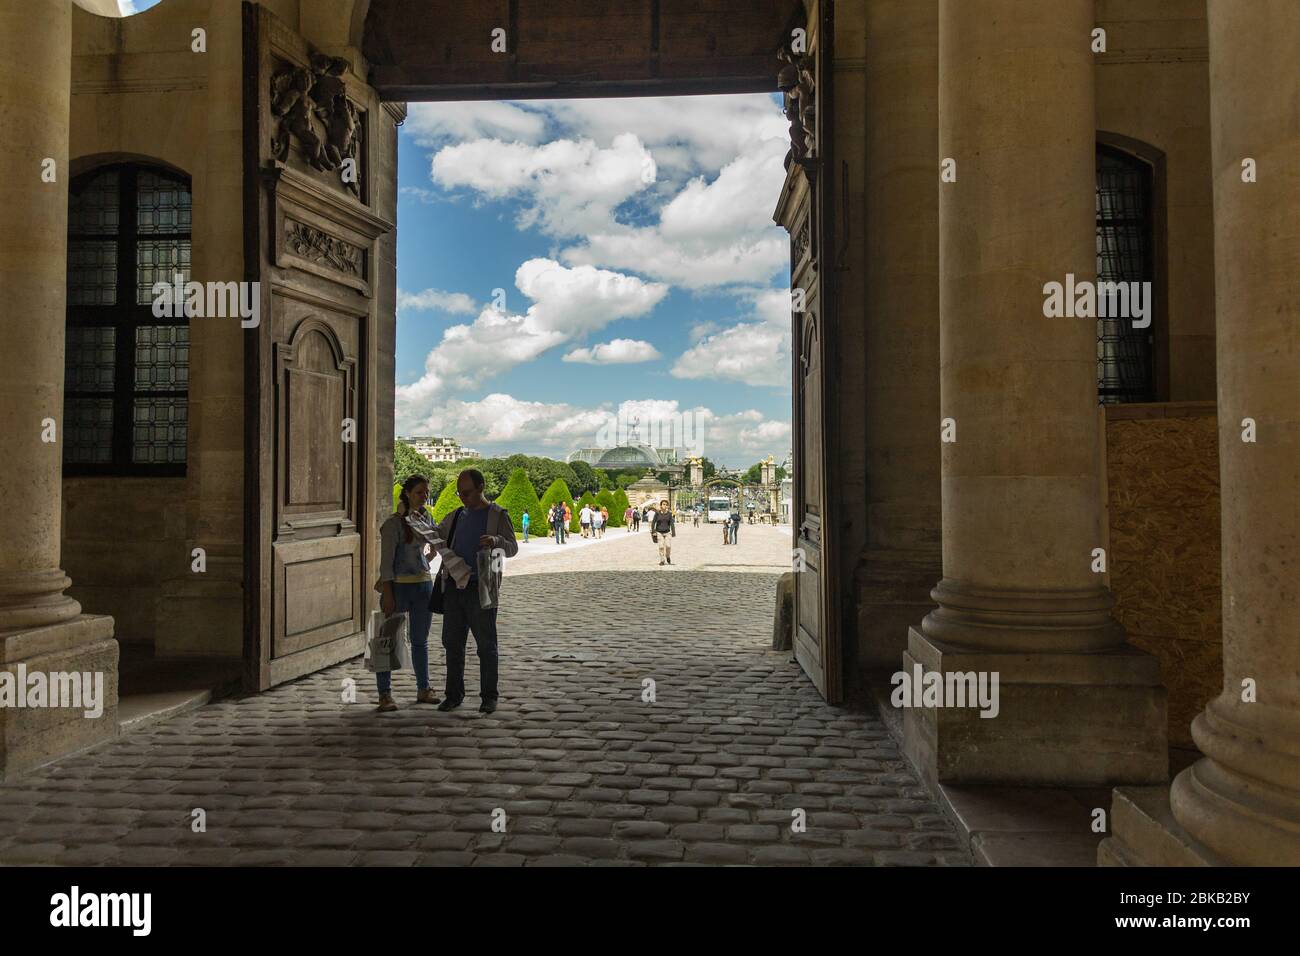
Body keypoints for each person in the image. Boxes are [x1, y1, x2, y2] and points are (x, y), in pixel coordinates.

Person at [429, 468, 517, 714]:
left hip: (482, 588)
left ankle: (489, 696)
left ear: (481, 488)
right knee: (452, 644)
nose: (462, 498)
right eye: (459, 493)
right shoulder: (456, 515)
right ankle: (453, 695)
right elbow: (437, 533)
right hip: (455, 588)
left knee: (486, 646)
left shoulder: (497, 515)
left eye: (466, 493)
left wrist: (496, 541)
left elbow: (512, 548)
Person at [375, 474, 441, 712]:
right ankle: (384, 694)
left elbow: (435, 543)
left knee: (420, 641)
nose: (423, 497)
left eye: (425, 493)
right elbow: (386, 564)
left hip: (423, 585)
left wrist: (430, 556)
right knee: (387, 640)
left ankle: (423, 688)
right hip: (399, 587)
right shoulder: (393, 524)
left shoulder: (427, 518)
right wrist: (388, 593)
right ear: (407, 494)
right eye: (419, 493)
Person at [650, 497, 675, 565]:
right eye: (663, 504)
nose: (665, 506)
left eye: (666, 504)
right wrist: (653, 531)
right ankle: (662, 560)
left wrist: (673, 532)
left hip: (667, 532)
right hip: (659, 532)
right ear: (661, 505)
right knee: (661, 547)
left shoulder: (669, 514)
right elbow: (653, 522)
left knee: (668, 546)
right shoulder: (657, 513)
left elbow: (671, 523)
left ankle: (668, 556)